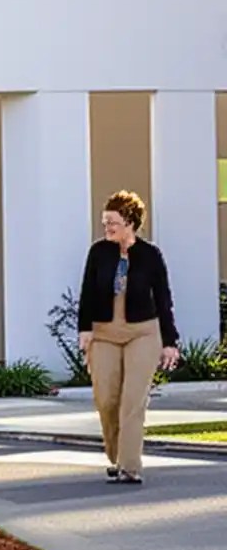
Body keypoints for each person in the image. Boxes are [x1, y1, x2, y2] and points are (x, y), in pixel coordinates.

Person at [77, 190, 180, 485]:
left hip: (143, 333)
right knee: (107, 399)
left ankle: (130, 466)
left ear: (130, 222)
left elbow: (164, 299)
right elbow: (86, 293)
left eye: (113, 222)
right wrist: (84, 330)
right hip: (104, 332)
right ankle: (116, 455)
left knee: (133, 400)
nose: (107, 228)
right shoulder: (98, 252)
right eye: (104, 222)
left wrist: (170, 342)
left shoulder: (150, 255)